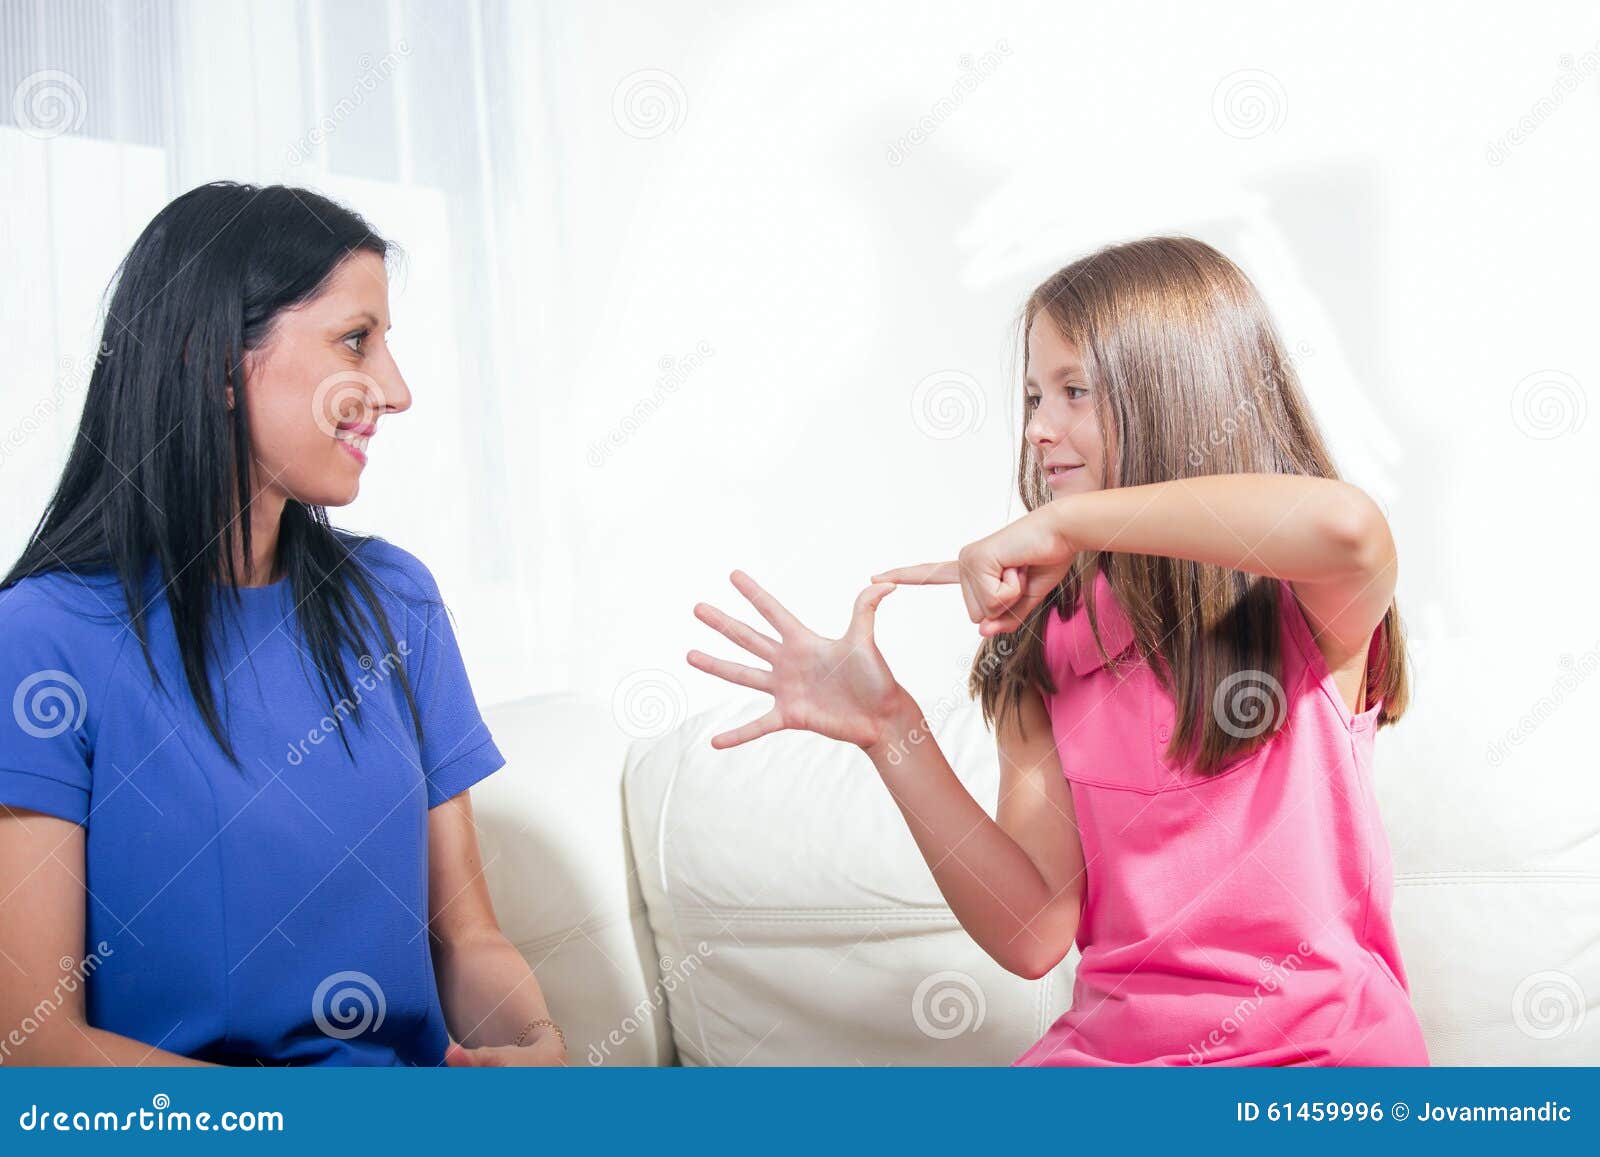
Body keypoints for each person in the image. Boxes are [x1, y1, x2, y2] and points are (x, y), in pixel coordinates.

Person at [687, 236, 1429, 1066]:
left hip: (1319, 1060)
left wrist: (1067, 524)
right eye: (1035, 396)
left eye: (1075, 390)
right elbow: (1033, 930)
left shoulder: (1296, 602)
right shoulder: (1045, 641)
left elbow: (1350, 527)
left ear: (1179, 396)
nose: (1039, 429)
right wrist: (888, 727)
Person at [0, 182, 561, 1067]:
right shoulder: (42, 638)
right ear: (217, 363)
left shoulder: (398, 600)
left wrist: (537, 1046)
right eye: (356, 340)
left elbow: (468, 940)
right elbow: (35, 1046)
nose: (397, 390)